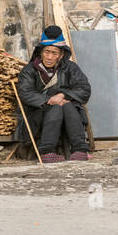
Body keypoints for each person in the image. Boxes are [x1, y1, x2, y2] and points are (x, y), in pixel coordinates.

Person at [15, 25, 92, 162]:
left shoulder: (70, 68)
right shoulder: (29, 71)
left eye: (54, 53)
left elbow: (84, 88)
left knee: (68, 106)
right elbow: (25, 92)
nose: (50, 57)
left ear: (61, 55)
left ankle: (79, 150)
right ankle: (47, 151)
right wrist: (49, 100)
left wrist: (63, 96)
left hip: (68, 115)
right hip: (38, 116)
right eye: (46, 52)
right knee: (56, 107)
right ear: (40, 52)